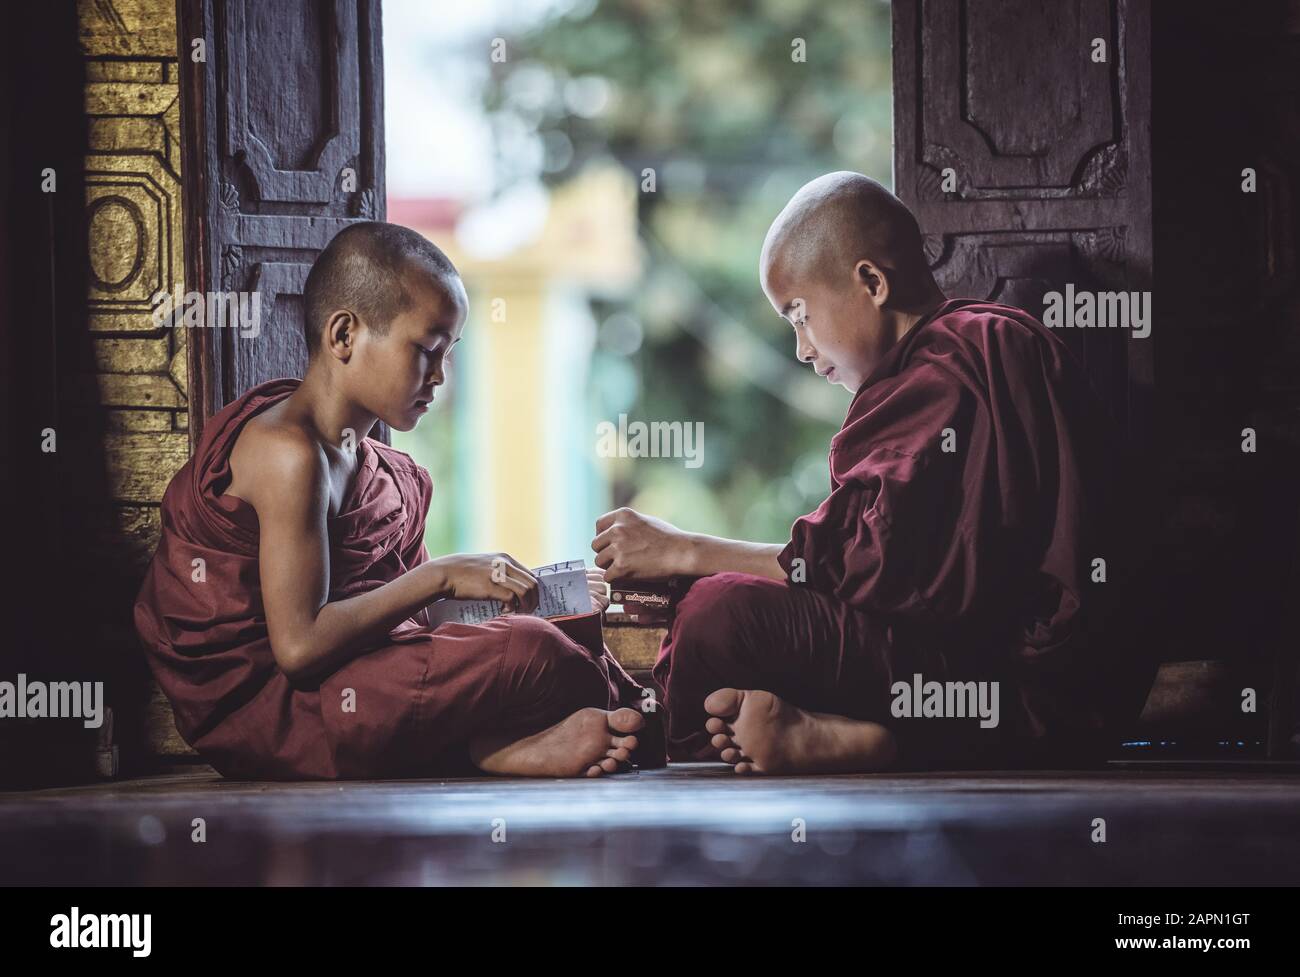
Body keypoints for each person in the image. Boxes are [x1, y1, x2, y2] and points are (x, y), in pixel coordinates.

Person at [592, 172, 1154, 774]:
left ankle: (676, 745)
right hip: (1074, 697)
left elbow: (873, 566)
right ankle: (868, 739)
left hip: (1021, 690)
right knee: (729, 608)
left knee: (720, 611)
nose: (802, 350)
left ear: (871, 282)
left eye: (800, 317)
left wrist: (686, 550)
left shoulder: (952, 362)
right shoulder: (992, 343)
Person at [136, 222, 644, 780]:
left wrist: (542, 593)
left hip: (363, 671)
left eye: (449, 354)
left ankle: (489, 744)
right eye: (427, 350)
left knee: (558, 631)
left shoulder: (385, 470)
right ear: (344, 336)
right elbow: (301, 648)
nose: (440, 377)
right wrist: (443, 575)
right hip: (279, 705)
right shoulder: (287, 455)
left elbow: (413, 621)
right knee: (530, 653)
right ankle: (488, 749)